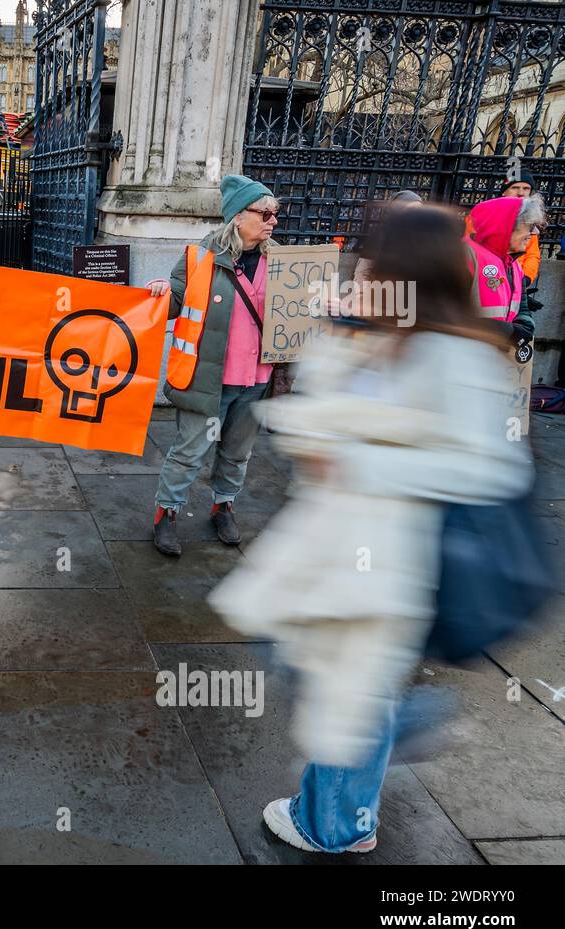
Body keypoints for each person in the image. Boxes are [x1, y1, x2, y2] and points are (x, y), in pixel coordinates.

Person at [208, 205, 534, 853]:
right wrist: (341, 327)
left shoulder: (455, 354)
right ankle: (358, 779)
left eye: (380, 258)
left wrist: (354, 454)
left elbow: (485, 467)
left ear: (410, 268)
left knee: (347, 688)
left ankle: (334, 822)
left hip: (385, 559)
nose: (369, 266)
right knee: (318, 669)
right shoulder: (390, 333)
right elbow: (323, 402)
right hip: (336, 548)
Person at [145, 174, 283, 556]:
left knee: (238, 452)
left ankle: (224, 506)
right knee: (190, 451)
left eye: (276, 213)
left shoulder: (283, 262)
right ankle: (166, 514)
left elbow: (296, 315)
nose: (273, 221)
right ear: (238, 216)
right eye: (265, 212)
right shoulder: (200, 256)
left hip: (257, 378)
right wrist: (160, 292)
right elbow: (175, 300)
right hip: (207, 378)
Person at [465, 193, 544, 357]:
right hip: (464, 355)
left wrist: (524, 326)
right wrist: (506, 330)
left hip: (492, 357)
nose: (533, 233)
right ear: (504, 226)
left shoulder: (514, 265)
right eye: (528, 226)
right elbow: (447, 309)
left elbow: (522, 307)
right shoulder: (466, 254)